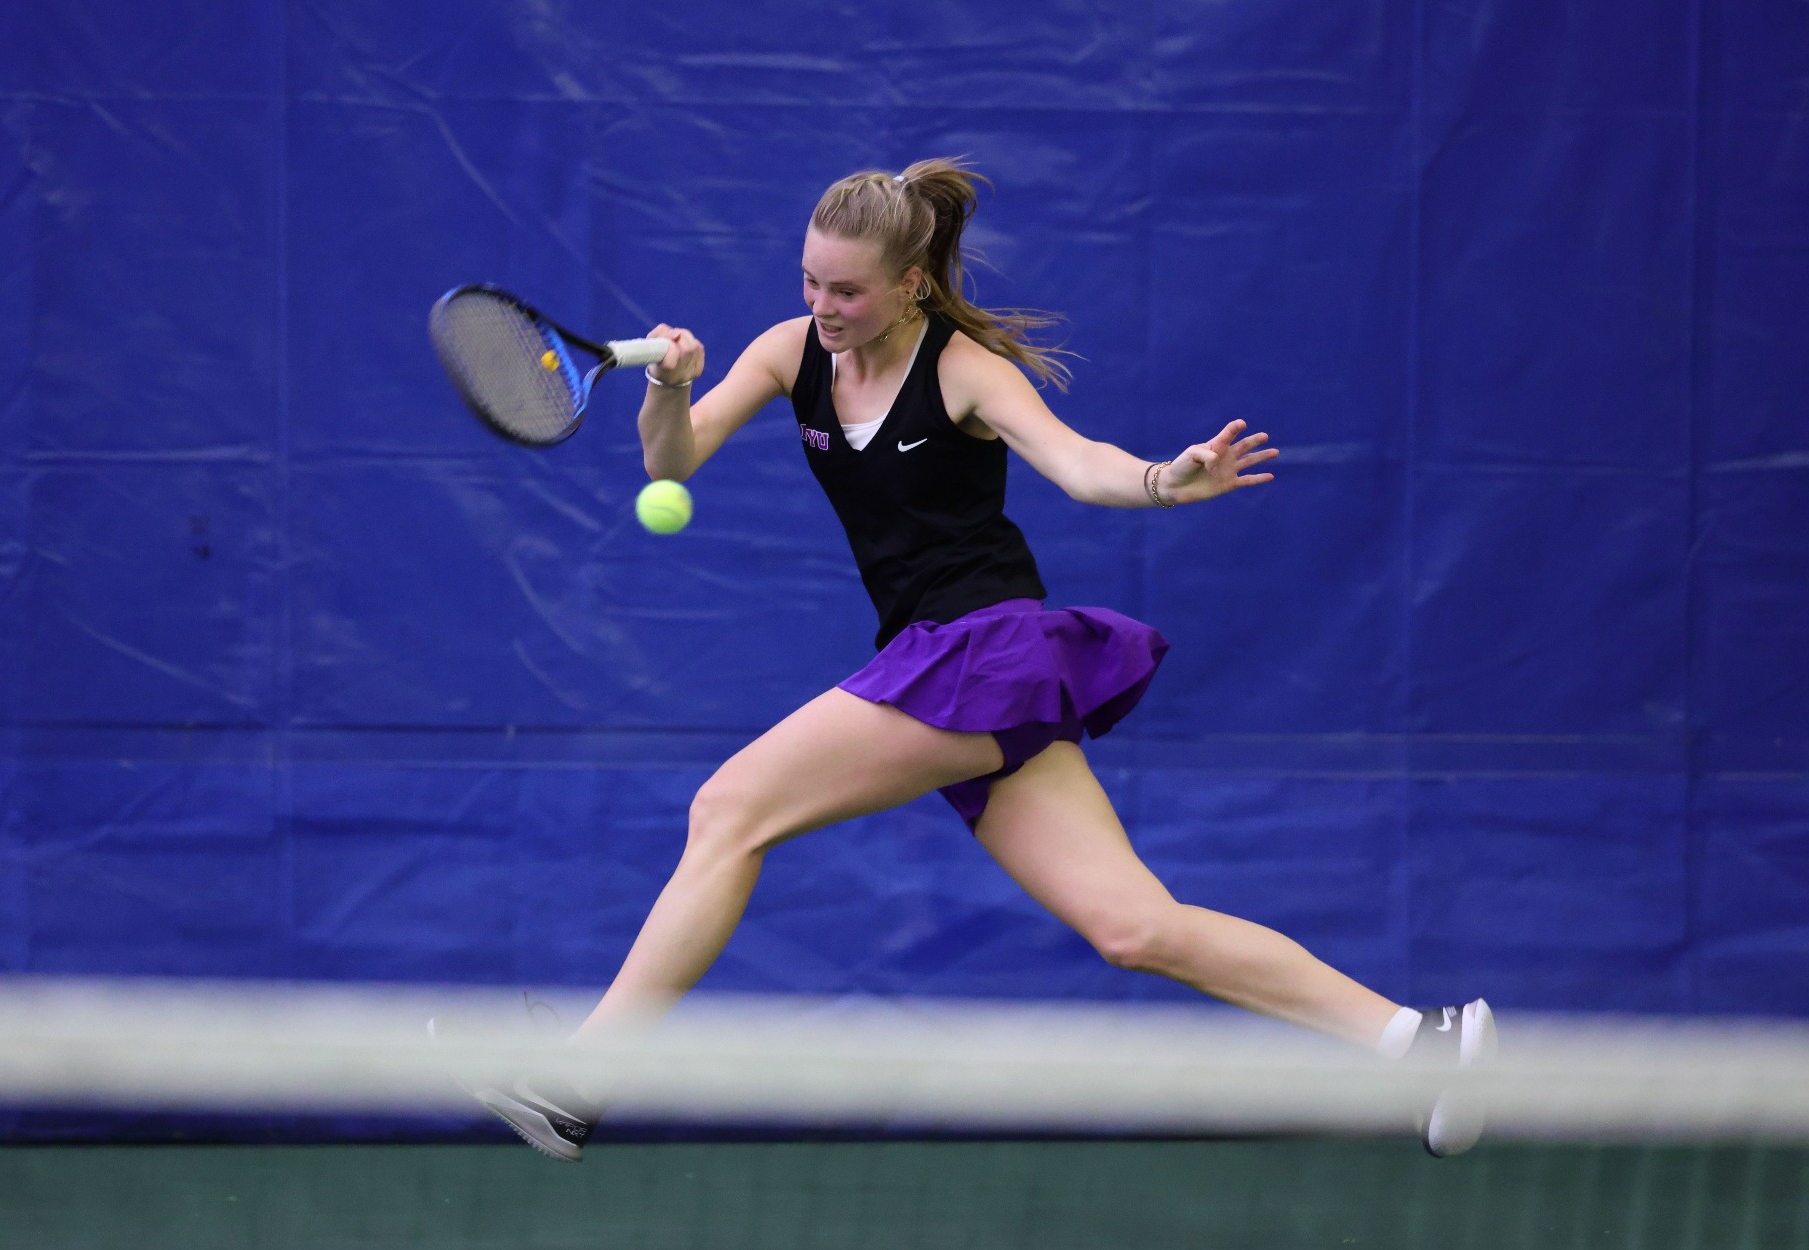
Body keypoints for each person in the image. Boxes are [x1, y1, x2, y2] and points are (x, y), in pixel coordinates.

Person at [478, 157, 1494, 1162]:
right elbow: (672, 458)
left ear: (907, 282)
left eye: (846, 288)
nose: (822, 305)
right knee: (1134, 926)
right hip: (954, 668)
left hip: (978, 650)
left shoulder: (963, 369)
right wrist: (669, 385)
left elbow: (1074, 461)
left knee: (727, 808)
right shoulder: (790, 353)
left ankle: (577, 1081)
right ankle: (1421, 1044)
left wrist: (1160, 478)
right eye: (809, 281)